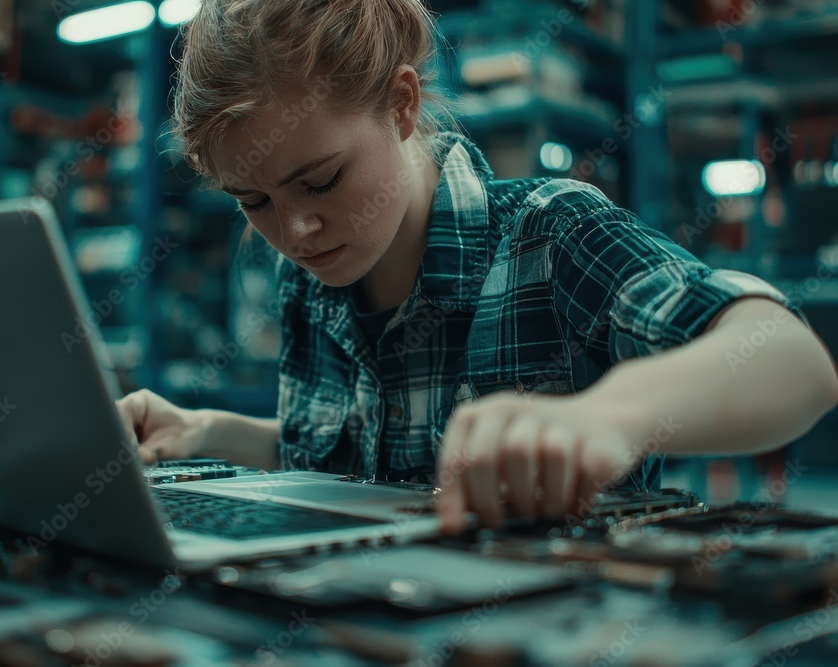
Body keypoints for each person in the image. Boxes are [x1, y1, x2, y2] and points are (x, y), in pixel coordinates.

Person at [116, 0, 838, 534]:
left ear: (400, 106)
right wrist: (210, 430)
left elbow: (795, 362)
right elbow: (363, 459)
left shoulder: (552, 234)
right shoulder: (310, 278)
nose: (294, 229)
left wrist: (609, 415)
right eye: (254, 200)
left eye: (323, 180)